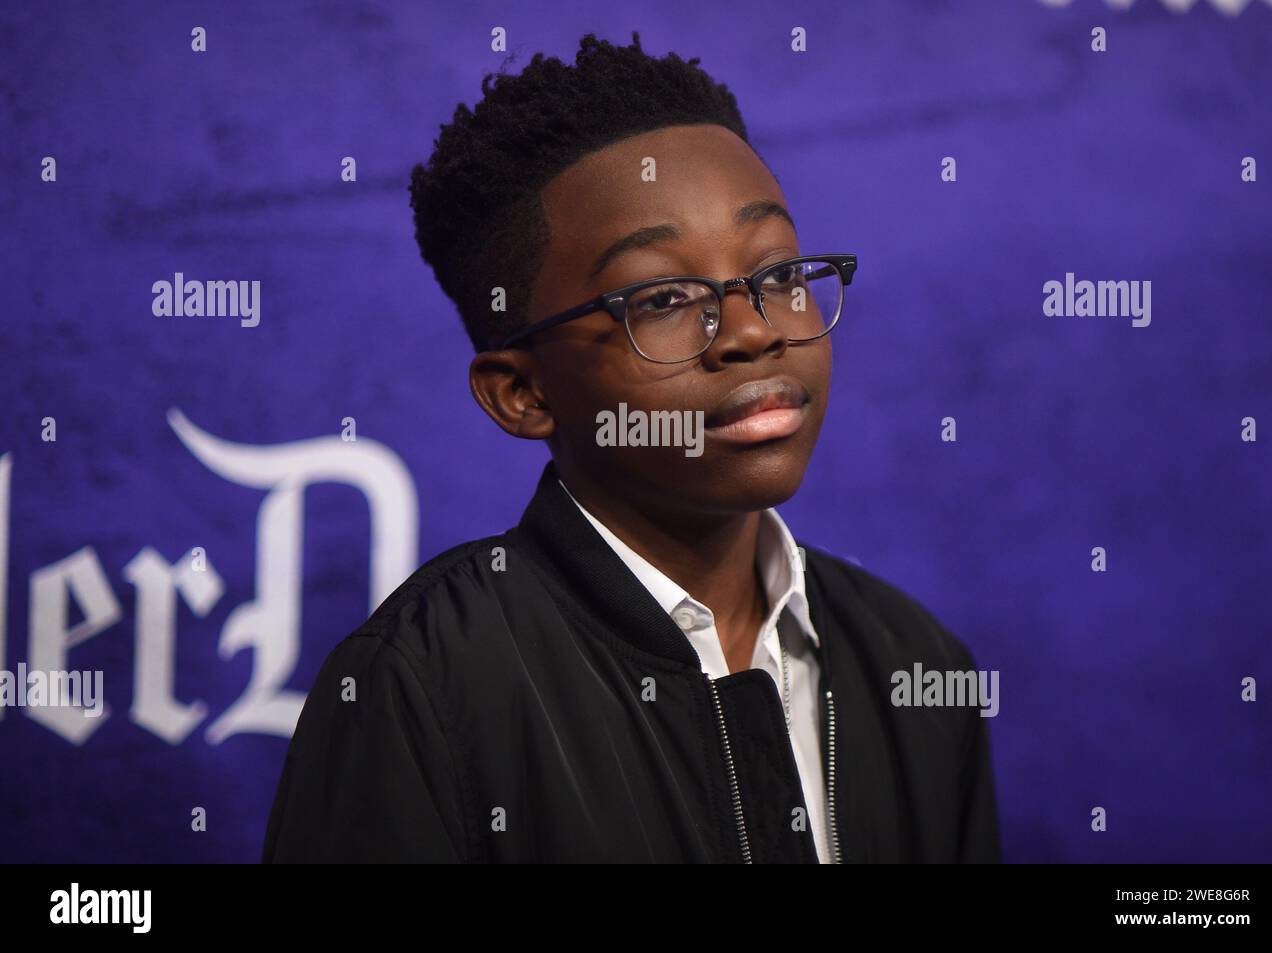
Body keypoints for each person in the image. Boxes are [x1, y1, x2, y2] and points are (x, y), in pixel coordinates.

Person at [262, 31, 1000, 863]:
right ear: (523, 392)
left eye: (780, 272)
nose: (754, 331)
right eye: (663, 297)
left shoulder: (914, 663)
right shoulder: (421, 686)